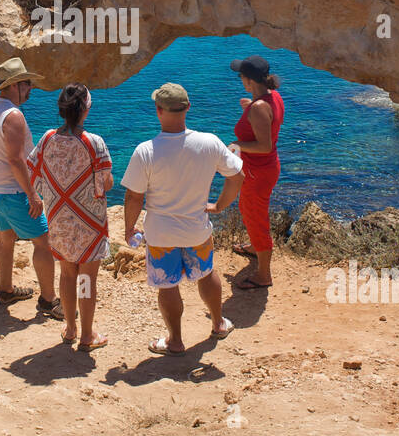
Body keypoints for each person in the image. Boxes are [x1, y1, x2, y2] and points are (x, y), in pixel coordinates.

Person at [121, 83, 244, 356]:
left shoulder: (146, 151)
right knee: (207, 273)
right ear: (188, 108)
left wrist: (129, 227)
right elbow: (237, 177)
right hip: (197, 230)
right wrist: (220, 205)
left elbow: (133, 197)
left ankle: (175, 340)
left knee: (167, 285)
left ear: (158, 110)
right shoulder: (209, 142)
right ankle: (218, 323)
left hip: (161, 235)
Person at [27, 83, 113, 350]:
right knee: (86, 278)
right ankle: (87, 335)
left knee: (66, 273)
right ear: (86, 109)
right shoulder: (93, 142)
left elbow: (34, 170)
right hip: (89, 223)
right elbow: (105, 183)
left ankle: (70, 329)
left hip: (59, 219)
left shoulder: (47, 138)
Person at [0, 57, 62, 320]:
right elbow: (16, 159)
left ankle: (6, 291)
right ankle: (49, 300)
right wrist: (32, 194)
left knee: (5, 241)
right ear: (15, 85)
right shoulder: (13, 116)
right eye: (28, 84)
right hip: (14, 192)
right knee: (43, 243)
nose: (30, 89)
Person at [227, 55, 285, 289]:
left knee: (256, 217)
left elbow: (264, 146)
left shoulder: (259, 107)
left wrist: (234, 146)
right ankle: (254, 247)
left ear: (249, 81)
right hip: (261, 170)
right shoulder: (272, 97)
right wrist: (249, 107)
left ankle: (264, 275)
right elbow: (267, 120)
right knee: (248, 209)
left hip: (258, 172)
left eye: (241, 76)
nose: (240, 79)